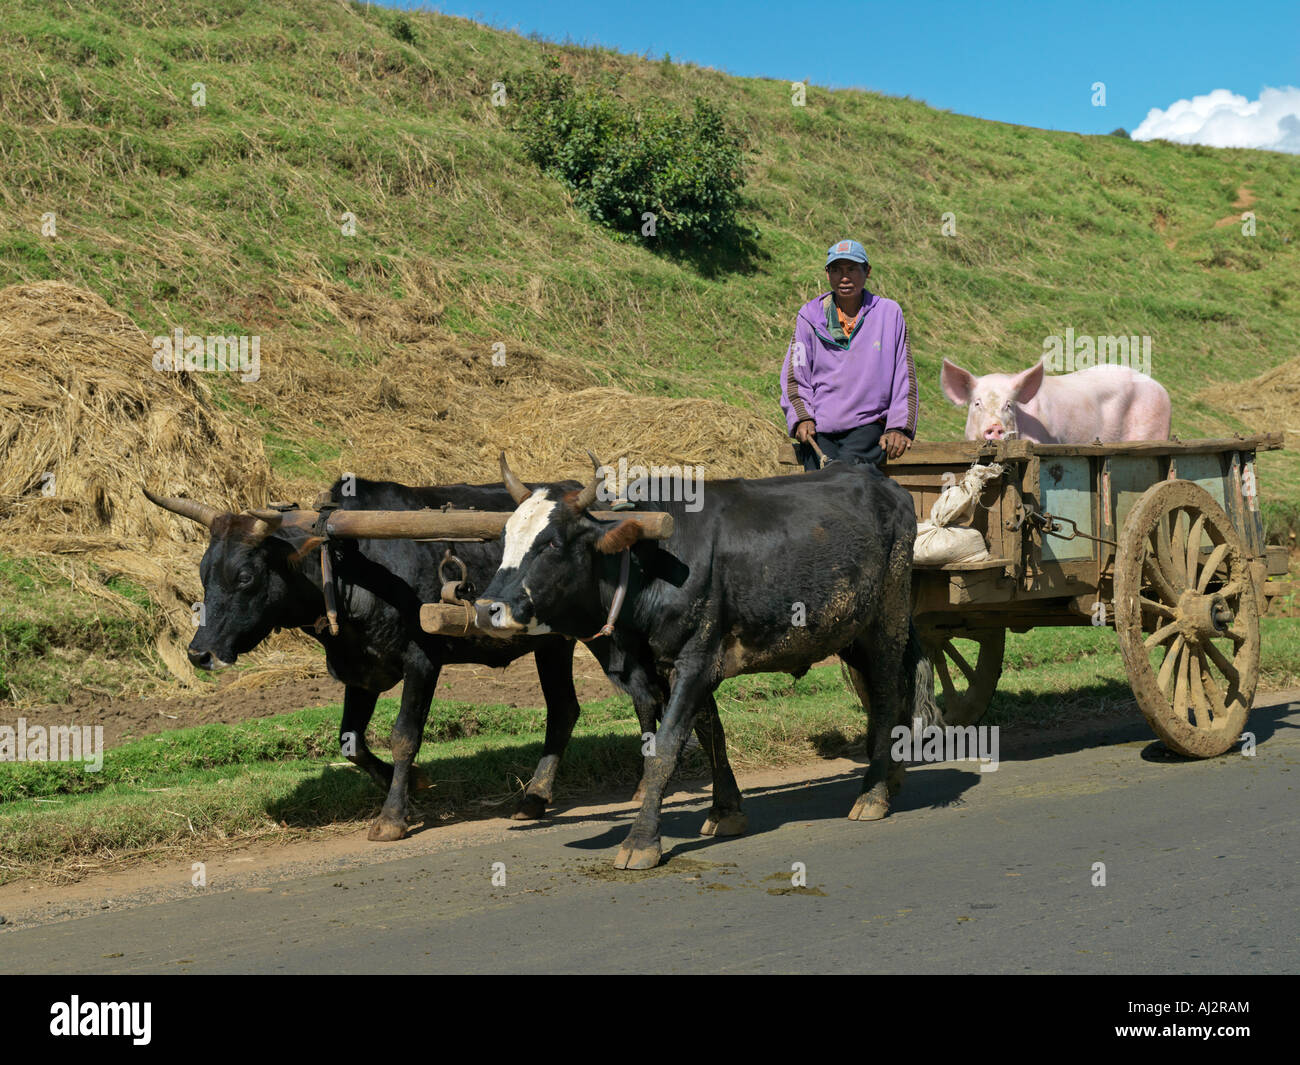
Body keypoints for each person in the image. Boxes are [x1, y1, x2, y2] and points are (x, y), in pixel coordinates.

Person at [780, 239, 917, 471]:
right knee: (818, 485)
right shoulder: (809, 316)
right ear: (827, 274)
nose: (844, 277)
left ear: (868, 271)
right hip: (822, 429)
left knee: (842, 476)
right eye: (836, 270)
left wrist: (898, 428)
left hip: (868, 426)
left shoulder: (888, 313)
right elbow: (795, 376)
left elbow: (904, 378)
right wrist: (803, 417)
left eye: (852, 269)